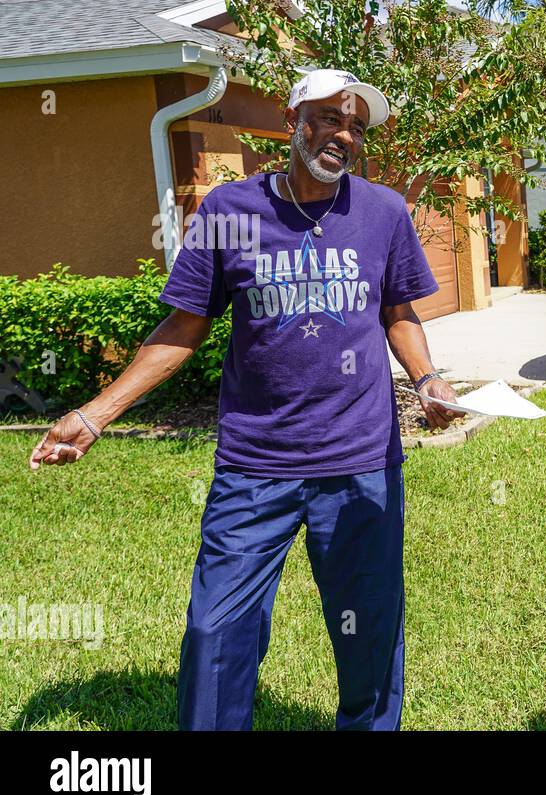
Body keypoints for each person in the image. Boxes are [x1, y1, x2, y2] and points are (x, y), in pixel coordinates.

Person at [27, 68, 464, 730]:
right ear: (292, 121)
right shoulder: (229, 214)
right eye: (327, 117)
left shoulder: (383, 212)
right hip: (254, 464)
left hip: (362, 462)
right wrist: (94, 415)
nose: (342, 134)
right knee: (215, 630)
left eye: (355, 125)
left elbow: (397, 311)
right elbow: (182, 328)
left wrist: (427, 379)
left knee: (369, 633)